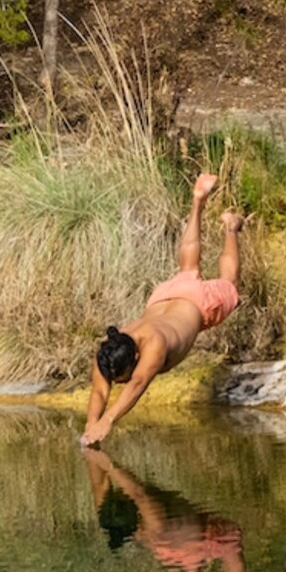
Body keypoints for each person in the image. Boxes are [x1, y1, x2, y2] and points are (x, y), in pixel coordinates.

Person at [80, 171, 243, 448]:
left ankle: (232, 226)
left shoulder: (154, 347)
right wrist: (89, 426)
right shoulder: (109, 350)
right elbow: (98, 390)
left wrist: (107, 420)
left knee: (230, 282)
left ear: (136, 357)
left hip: (198, 303)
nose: (122, 381)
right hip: (163, 298)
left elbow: (139, 383)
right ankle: (197, 201)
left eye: (124, 375)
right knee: (188, 267)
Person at [85, 446, 248, 572]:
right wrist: (108, 463)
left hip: (172, 547)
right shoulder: (152, 520)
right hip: (188, 535)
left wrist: (91, 452)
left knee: (191, 567)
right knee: (230, 546)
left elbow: (98, 485)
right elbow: (139, 493)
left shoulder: (110, 515)